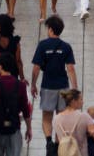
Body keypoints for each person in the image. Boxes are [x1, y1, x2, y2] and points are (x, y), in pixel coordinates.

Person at [31, 15, 77, 147]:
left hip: (47, 86)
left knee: (47, 117)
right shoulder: (66, 47)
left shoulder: (42, 45)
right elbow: (71, 69)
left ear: (50, 29)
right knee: (61, 117)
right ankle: (58, 144)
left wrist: (33, 84)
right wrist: (74, 88)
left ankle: (48, 143)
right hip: (63, 86)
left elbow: (36, 68)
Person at [0, 53, 31, 156]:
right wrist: (29, 128)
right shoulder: (21, 85)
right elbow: (26, 110)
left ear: (0, 66)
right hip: (14, 128)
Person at [54, 89, 94, 156]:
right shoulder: (84, 116)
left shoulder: (56, 119)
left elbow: (58, 140)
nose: (82, 102)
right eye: (81, 99)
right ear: (73, 101)